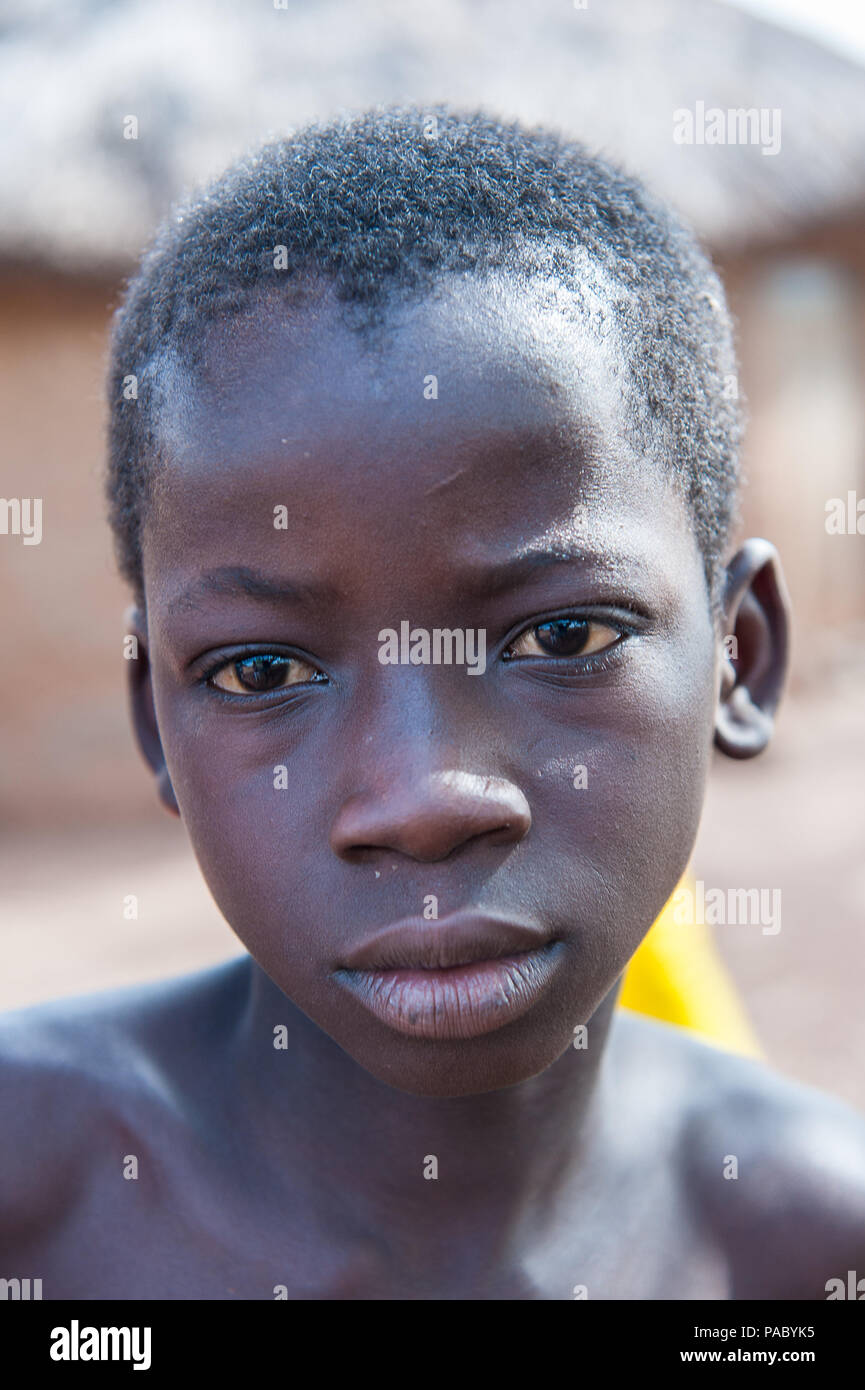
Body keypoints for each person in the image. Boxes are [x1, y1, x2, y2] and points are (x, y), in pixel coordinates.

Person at [2, 104, 863, 1300]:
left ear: (739, 654)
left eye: (562, 634)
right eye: (263, 671)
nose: (421, 801)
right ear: (158, 722)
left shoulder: (809, 1255)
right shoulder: (31, 1211)